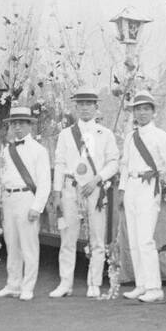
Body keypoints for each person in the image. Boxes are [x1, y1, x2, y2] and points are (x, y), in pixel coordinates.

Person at [117, 91, 166, 304]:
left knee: (145, 240)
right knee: (133, 240)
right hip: (131, 187)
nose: (141, 113)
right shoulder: (131, 137)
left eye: (146, 108)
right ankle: (141, 284)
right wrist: (122, 190)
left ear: (153, 112)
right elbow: (124, 165)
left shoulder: (160, 136)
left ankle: (154, 287)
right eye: (138, 109)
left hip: (149, 188)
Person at [49, 87, 119, 298]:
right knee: (68, 238)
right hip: (71, 188)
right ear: (76, 107)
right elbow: (59, 163)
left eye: (89, 104)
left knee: (97, 238)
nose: (85, 108)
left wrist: (98, 179)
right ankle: (65, 283)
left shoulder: (105, 134)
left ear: (96, 107)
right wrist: (57, 192)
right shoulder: (65, 134)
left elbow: (113, 162)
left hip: (95, 189)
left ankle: (94, 283)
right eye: (81, 104)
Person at [0, 105, 52, 301]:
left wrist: (37, 207)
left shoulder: (39, 150)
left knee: (29, 245)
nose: (17, 127)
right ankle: (13, 284)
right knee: (12, 244)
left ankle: (28, 287)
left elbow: (44, 182)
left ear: (29, 126)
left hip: (27, 198)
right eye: (14, 124)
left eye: (21, 123)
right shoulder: (6, 150)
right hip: (9, 199)